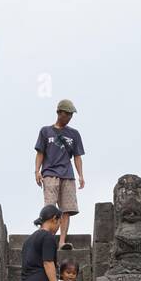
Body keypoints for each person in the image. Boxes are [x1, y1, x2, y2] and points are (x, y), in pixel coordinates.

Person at [34, 99, 85, 251]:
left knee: (66, 210)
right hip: (50, 173)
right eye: (67, 114)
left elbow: (77, 156)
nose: (69, 117)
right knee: (50, 208)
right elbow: (40, 153)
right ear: (59, 113)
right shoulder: (45, 131)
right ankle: (46, 239)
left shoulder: (74, 134)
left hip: (67, 174)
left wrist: (81, 175)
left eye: (71, 114)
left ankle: (62, 242)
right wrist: (36, 171)